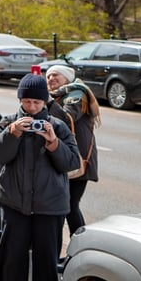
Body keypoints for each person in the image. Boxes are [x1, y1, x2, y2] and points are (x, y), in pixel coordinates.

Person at [0, 73, 80, 281]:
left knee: (46, 260)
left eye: (37, 104)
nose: (31, 108)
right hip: (14, 202)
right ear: (20, 99)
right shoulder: (7, 122)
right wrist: (13, 133)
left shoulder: (59, 126)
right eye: (27, 102)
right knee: (11, 256)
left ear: (45, 103)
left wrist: (52, 142)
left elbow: (72, 163)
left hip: (49, 206)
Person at [45, 64, 101, 238]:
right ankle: (62, 252)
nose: (51, 79)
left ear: (66, 77)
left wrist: (47, 102)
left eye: (56, 75)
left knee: (69, 205)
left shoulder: (77, 94)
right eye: (48, 77)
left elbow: (66, 118)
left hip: (79, 160)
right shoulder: (59, 96)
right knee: (64, 206)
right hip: (63, 158)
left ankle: (79, 247)